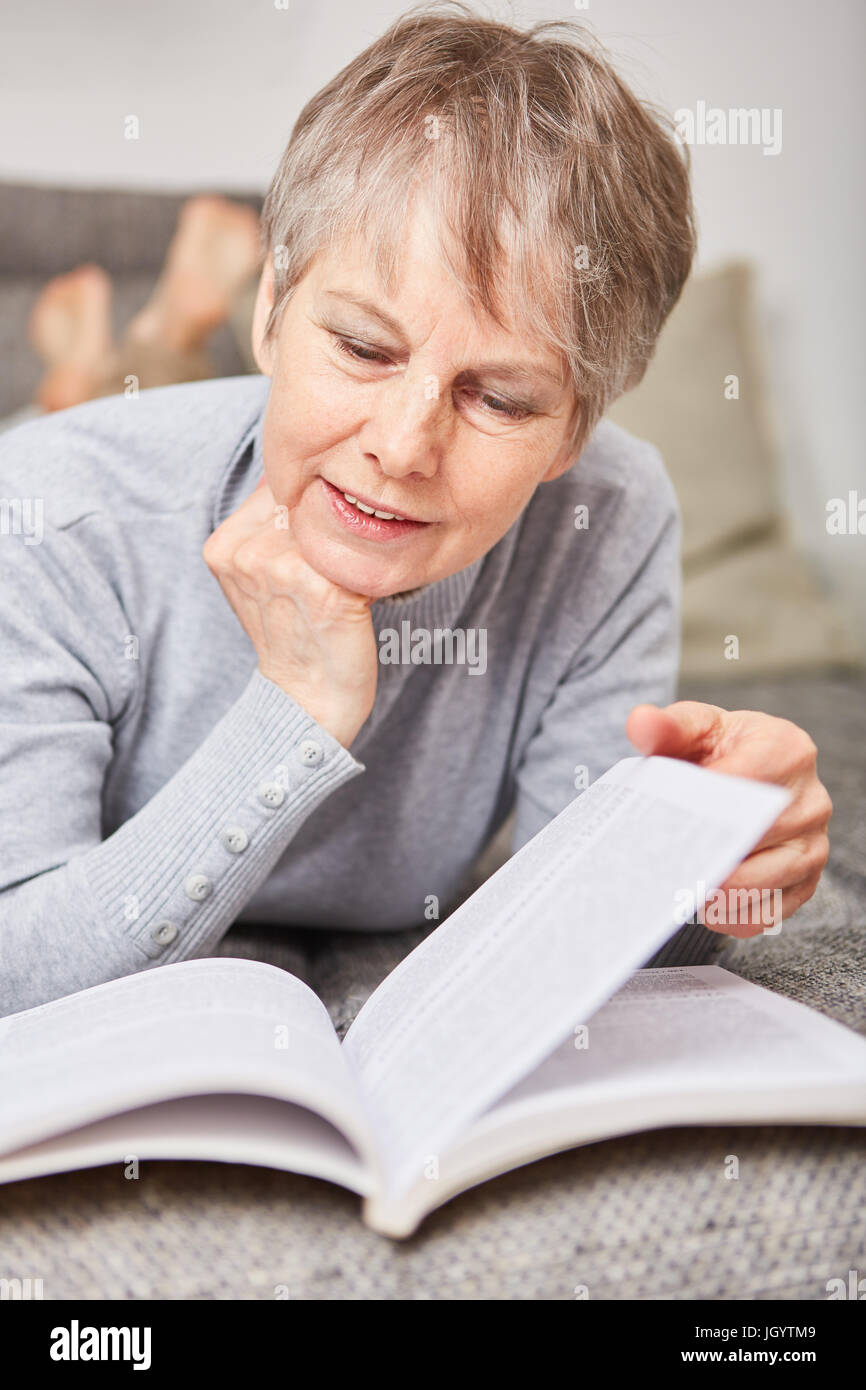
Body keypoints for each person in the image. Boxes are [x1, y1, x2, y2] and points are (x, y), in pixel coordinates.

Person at [0, 2, 831, 1017]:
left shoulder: (604, 515)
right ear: (271, 311)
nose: (400, 446)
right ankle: (103, 359)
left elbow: (577, 929)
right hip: (89, 470)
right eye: (360, 345)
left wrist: (704, 869)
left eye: (498, 398)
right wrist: (296, 711)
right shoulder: (46, 518)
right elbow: (17, 973)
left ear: (571, 432)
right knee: (84, 430)